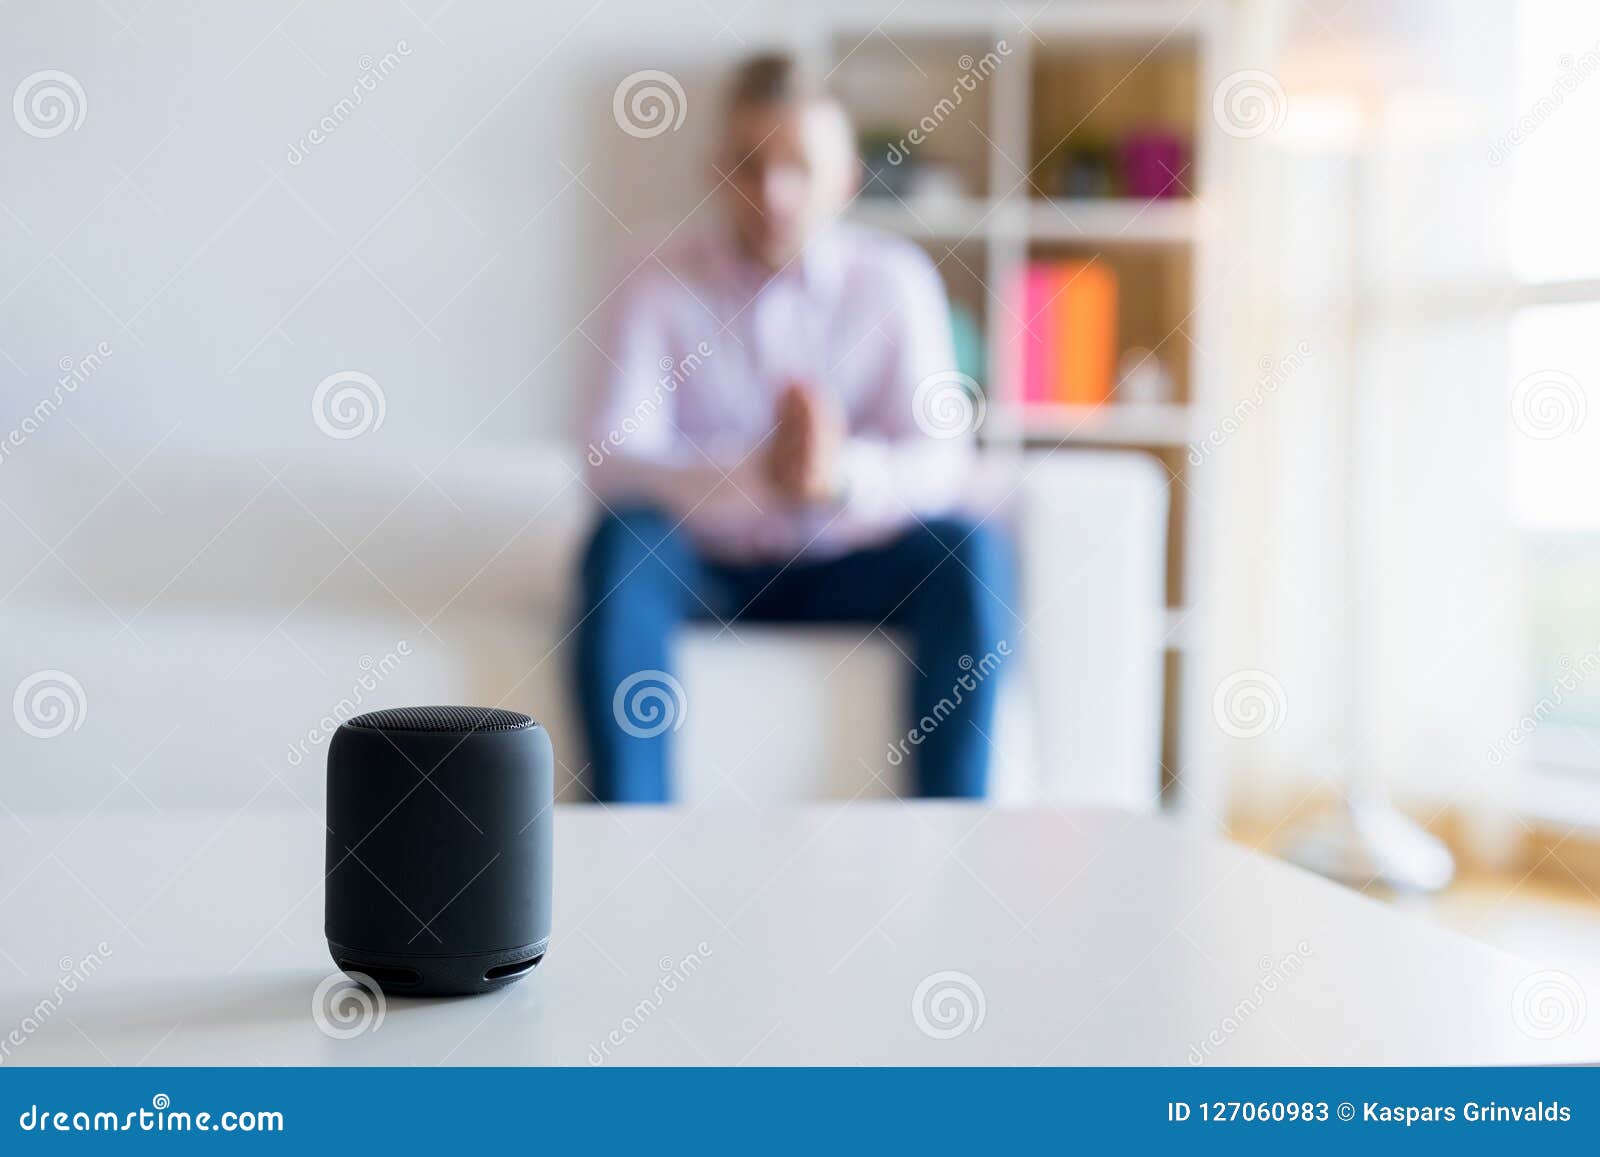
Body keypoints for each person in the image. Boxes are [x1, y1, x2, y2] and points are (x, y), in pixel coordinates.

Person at [575, 52, 1014, 802]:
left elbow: (942, 462)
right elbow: (610, 460)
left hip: (851, 562)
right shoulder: (651, 278)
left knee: (968, 553)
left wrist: (835, 477)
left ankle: (955, 835)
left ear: (845, 179)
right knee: (622, 543)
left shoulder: (897, 281)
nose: (772, 193)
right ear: (717, 171)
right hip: (705, 566)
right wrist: (757, 474)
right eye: (748, 165)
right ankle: (629, 832)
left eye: (798, 167)